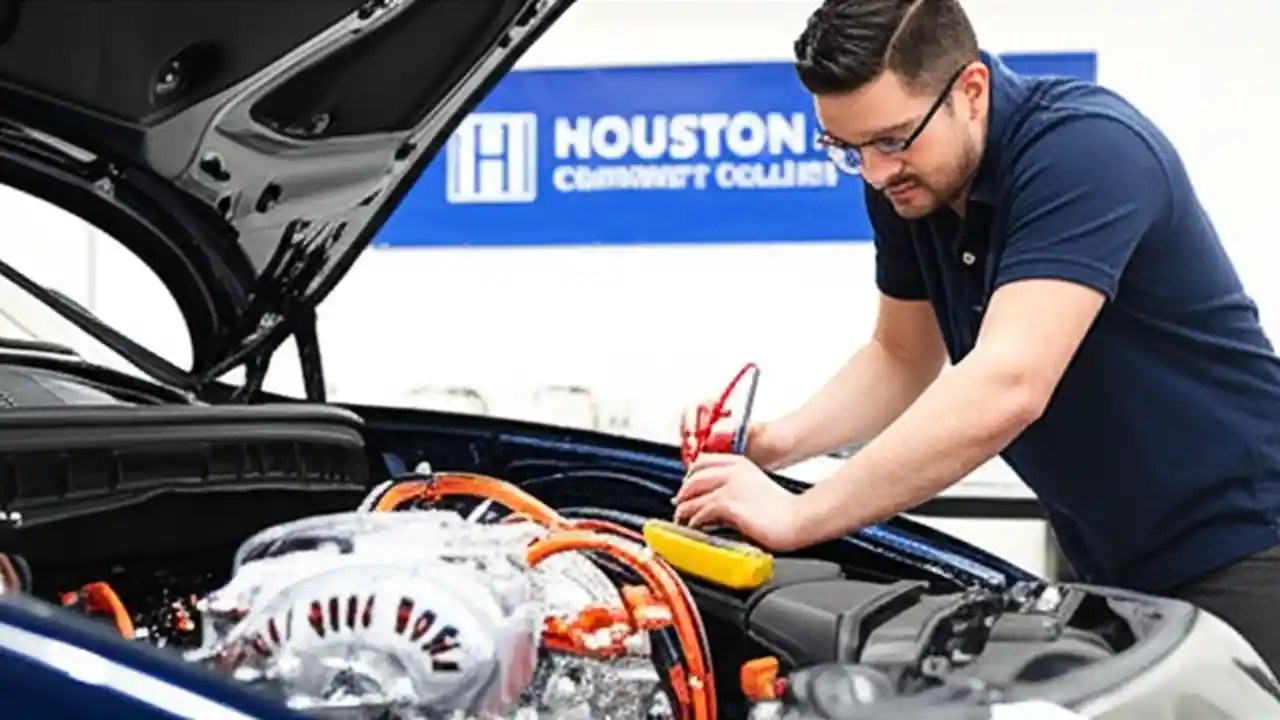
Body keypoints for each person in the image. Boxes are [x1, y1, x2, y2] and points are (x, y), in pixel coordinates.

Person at [671, 0, 1280, 670]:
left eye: (892, 140)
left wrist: (799, 517)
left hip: (1248, 545)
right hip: (1108, 555)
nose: (875, 173)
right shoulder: (909, 185)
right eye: (848, 149)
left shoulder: (1087, 150)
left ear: (971, 89)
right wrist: (775, 445)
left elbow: (1008, 384)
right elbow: (901, 355)